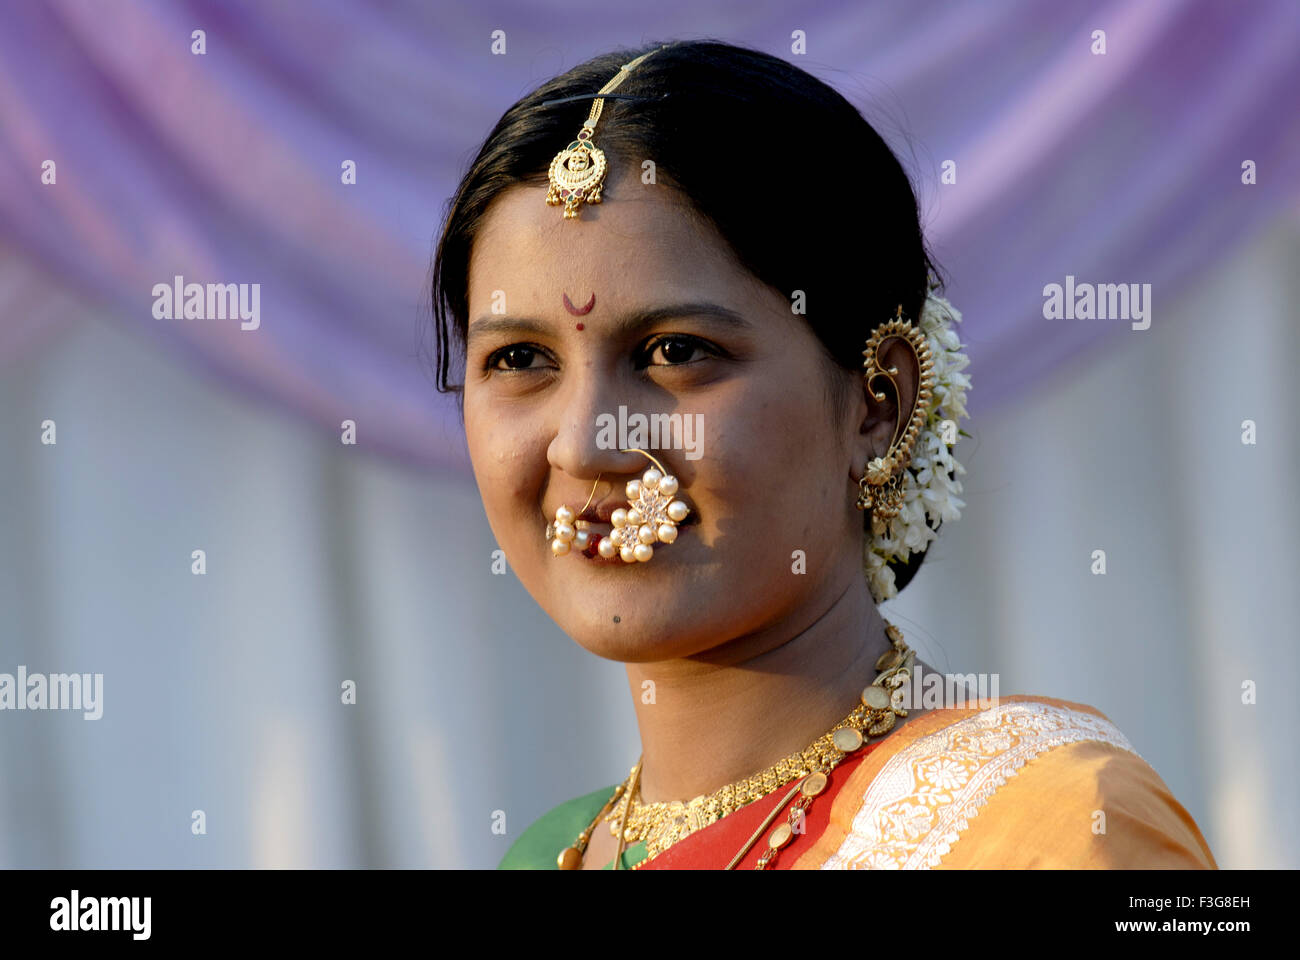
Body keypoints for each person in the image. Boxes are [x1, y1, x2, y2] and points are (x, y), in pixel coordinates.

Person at [429, 39, 1216, 869]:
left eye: (674, 351)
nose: (588, 442)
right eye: (519, 359)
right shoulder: (552, 853)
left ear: (879, 405)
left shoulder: (1052, 826)